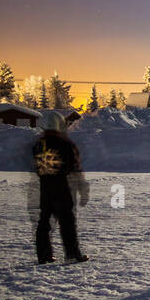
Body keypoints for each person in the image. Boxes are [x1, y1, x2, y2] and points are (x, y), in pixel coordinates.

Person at [31, 111, 89, 264]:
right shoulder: (64, 143)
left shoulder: (39, 144)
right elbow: (73, 166)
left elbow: (39, 166)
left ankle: (44, 255)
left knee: (44, 221)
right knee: (67, 220)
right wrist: (82, 186)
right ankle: (72, 253)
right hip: (61, 185)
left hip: (45, 185)